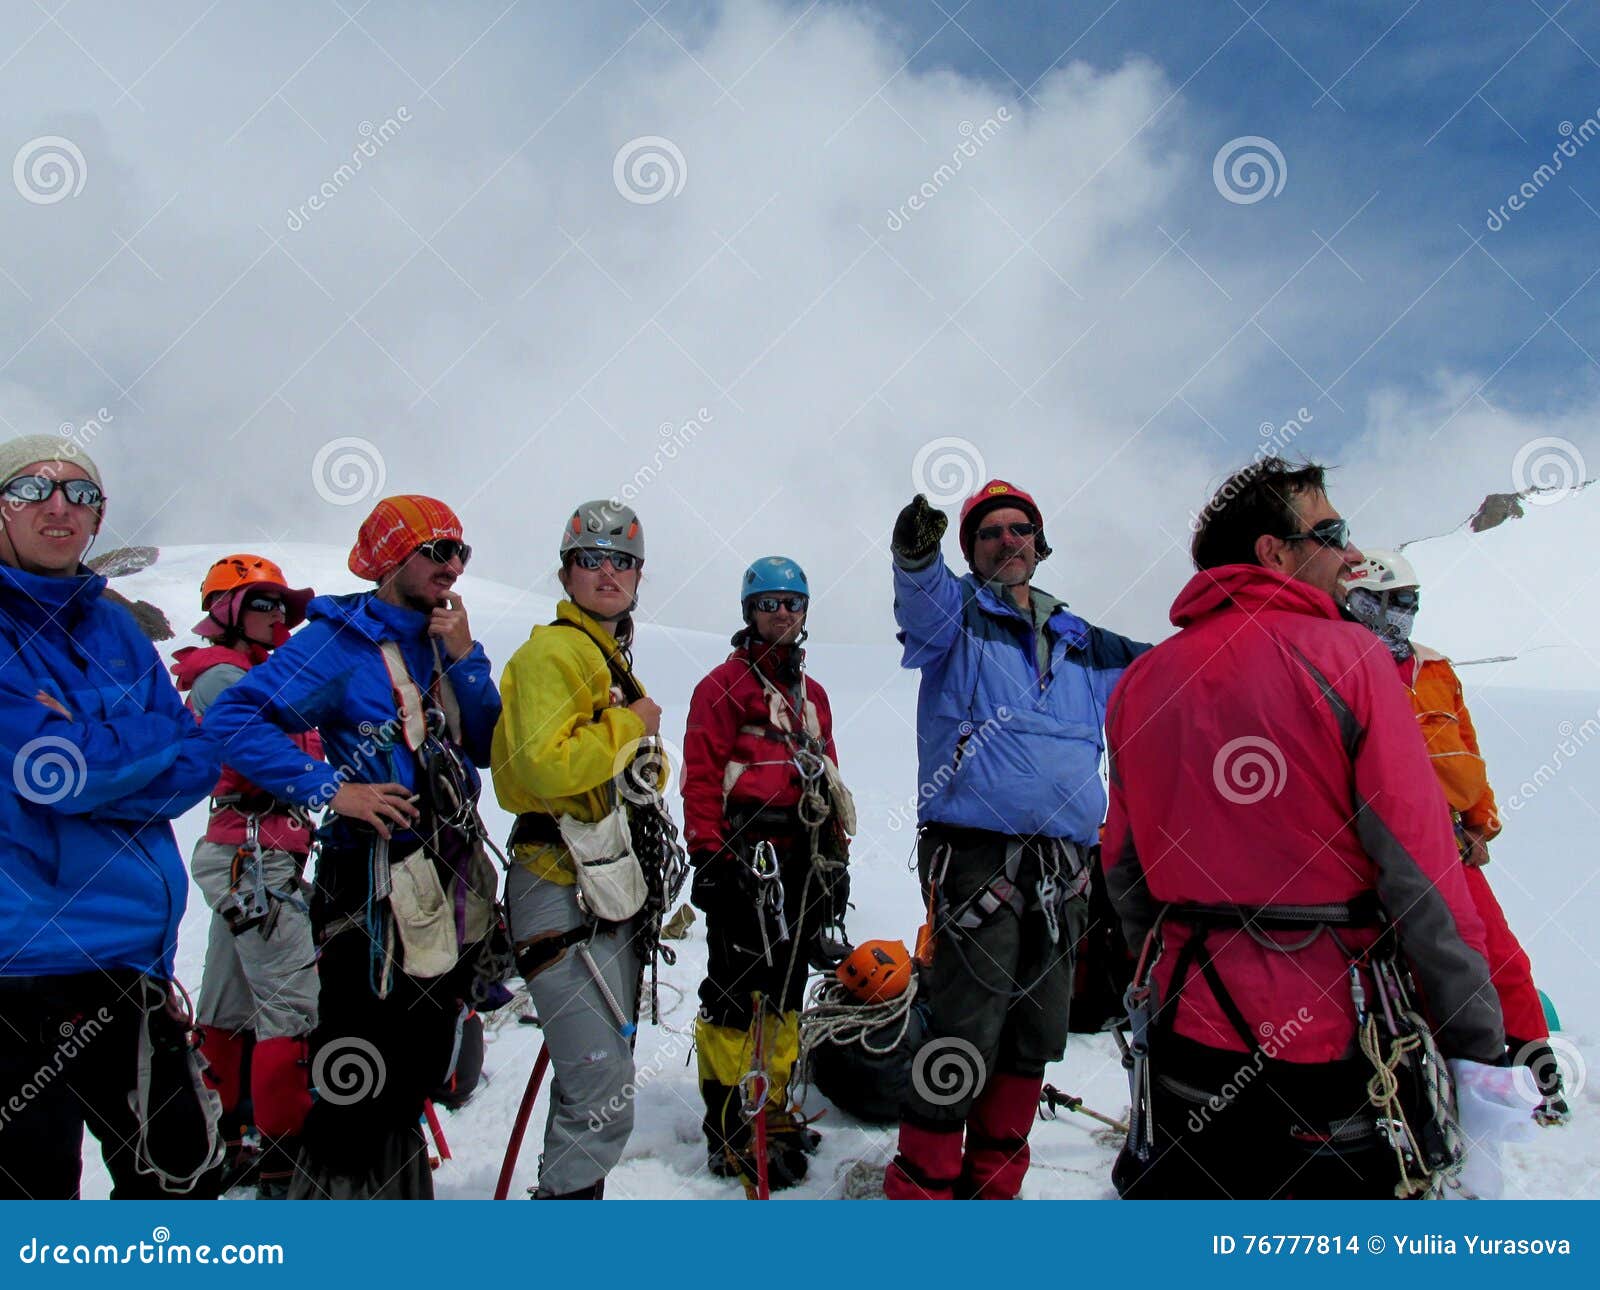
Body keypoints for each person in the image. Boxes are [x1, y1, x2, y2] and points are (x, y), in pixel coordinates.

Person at [1102, 457, 1504, 1199]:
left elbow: (1123, 868)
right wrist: (1475, 1044)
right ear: (1273, 553)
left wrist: (1163, 974)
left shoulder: (1143, 683)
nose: (1351, 553)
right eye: (1332, 532)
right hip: (1331, 1046)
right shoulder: (1352, 661)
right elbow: (1421, 871)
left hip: (1187, 1036)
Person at [203, 496, 503, 1199]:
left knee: (416, 1066)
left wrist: (467, 658)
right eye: (435, 550)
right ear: (390, 559)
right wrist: (333, 790)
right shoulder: (337, 642)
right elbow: (233, 718)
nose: (451, 565)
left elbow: (484, 744)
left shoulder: (441, 640)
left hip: (444, 878)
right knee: (357, 1069)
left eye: (459, 551)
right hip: (367, 886)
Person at [884, 480, 1150, 1200]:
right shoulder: (956, 618)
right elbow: (922, 597)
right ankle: (923, 1194)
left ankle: (994, 1191)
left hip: (1064, 866)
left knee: (1035, 1030)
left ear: (1039, 542)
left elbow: (1171, 677)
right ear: (971, 551)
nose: (1009, 540)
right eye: (991, 532)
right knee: (964, 1029)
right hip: (974, 857)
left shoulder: (1083, 642)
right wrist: (915, 557)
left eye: (1020, 529)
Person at [0, 434, 223, 1199]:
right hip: (21, 970)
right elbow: (48, 771)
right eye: (33, 488)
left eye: (80, 493)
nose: (59, 506)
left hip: (128, 965)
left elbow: (194, 764)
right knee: (31, 1195)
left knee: (179, 1176)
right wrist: (148, 743)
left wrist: (99, 748)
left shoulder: (116, 630)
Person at [1344, 548, 1568, 1125]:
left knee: (1501, 957)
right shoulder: (1342, 664)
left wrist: (1479, 821)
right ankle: (1432, 1075)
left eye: (1409, 603)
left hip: (1448, 837)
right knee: (1414, 959)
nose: (1401, 614)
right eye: (1389, 602)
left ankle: (1532, 1077)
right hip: (1376, 838)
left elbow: (1463, 751)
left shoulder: (1434, 669)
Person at [491, 500, 671, 1200]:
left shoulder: (605, 659)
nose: (607, 572)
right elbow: (545, 768)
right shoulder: (552, 653)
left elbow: (639, 774)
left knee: (596, 1084)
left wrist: (633, 734)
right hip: (558, 881)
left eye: (621, 561)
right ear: (566, 570)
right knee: (600, 1089)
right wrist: (629, 724)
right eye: (591, 559)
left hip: (601, 885)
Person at [682, 556, 851, 1190]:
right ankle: (730, 1126)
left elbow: (828, 778)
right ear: (749, 611)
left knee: (783, 990)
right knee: (734, 994)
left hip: (801, 856)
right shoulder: (721, 688)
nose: (782, 613)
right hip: (744, 854)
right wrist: (708, 856)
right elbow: (700, 775)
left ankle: (770, 1107)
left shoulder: (814, 698)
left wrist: (835, 858)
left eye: (793, 603)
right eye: (770, 602)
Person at [171, 554, 323, 1197]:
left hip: (250, 853)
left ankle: (225, 1140)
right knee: (289, 1006)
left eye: (281, 606)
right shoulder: (227, 679)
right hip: (256, 856)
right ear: (226, 611)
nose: (276, 615)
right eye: (261, 603)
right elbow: (261, 756)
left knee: (229, 1005)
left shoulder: (249, 673)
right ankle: (282, 1157)